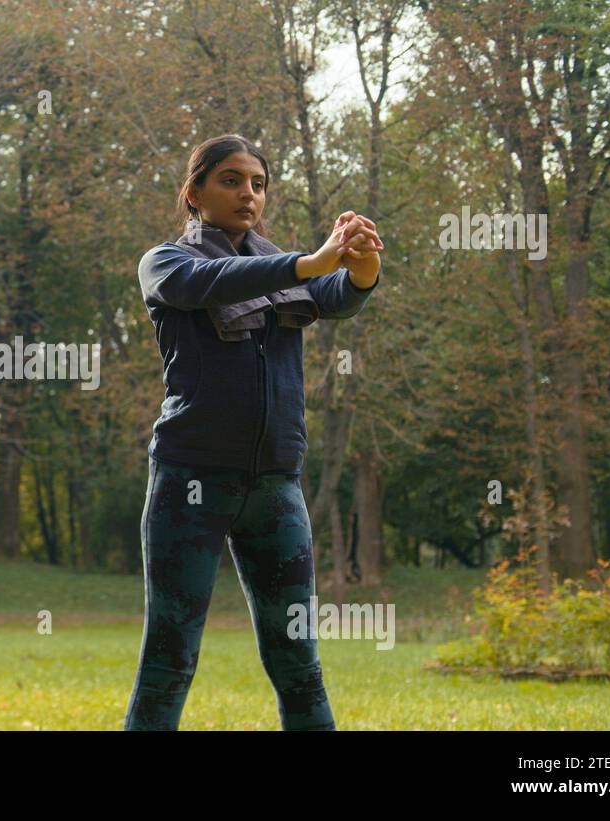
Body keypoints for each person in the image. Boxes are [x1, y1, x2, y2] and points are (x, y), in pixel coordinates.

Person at [127, 134, 383, 730]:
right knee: (170, 657)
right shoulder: (167, 263)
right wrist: (311, 262)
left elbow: (337, 297)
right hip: (188, 481)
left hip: (276, 485)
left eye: (259, 183)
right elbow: (211, 284)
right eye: (232, 180)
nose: (249, 193)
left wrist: (362, 264)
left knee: (299, 661)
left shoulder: (286, 272)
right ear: (194, 194)